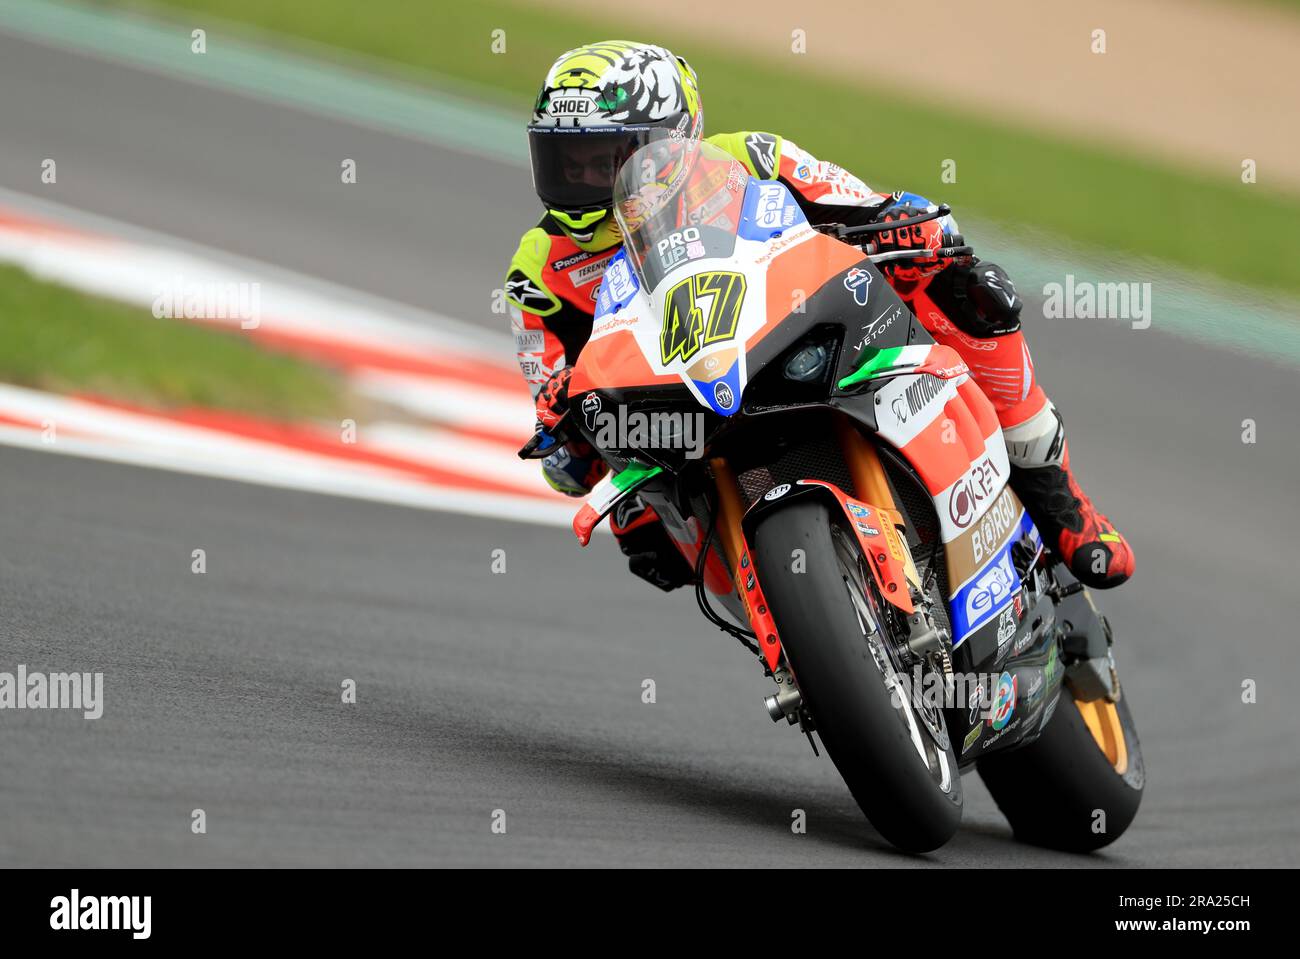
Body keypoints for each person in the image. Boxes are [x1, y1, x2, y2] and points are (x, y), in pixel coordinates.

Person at [506, 40, 1133, 591]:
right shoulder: (536, 272)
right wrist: (563, 418)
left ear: (677, 138)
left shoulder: (751, 156)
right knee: (643, 532)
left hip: (791, 333)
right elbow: (562, 451)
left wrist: (902, 227)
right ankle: (804, 637)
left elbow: (868, 206)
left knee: (967, 289)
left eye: (608, 159)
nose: (589, 180)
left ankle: (1058, 498)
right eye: (570, 163)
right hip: (681, 416)